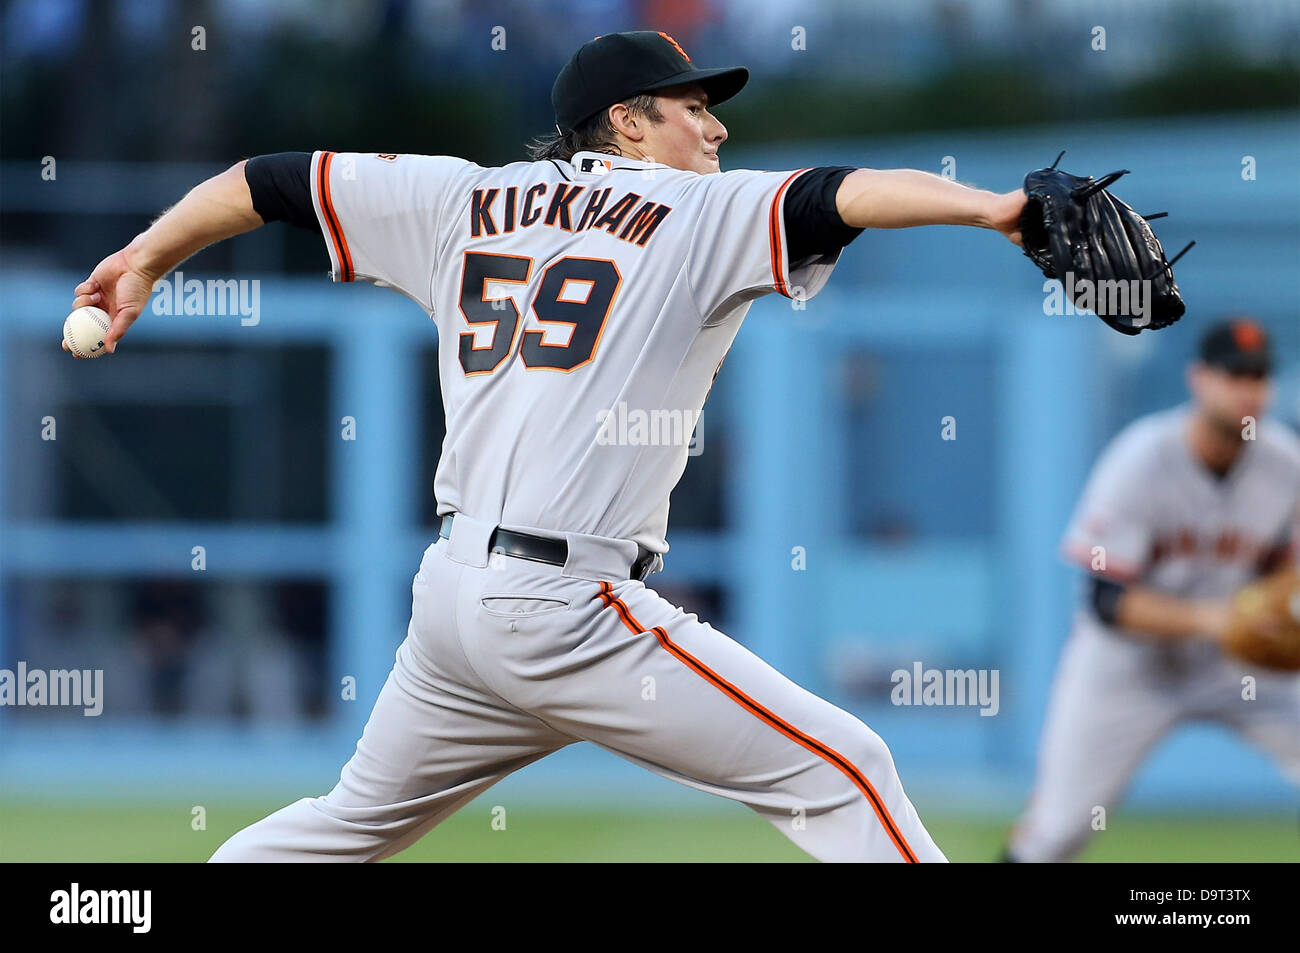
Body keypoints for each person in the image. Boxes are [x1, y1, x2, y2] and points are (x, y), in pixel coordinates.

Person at [70, 31, 1028, 862]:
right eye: (694, 107)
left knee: (346, 823)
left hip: (455, 604)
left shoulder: (460, 197)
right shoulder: (697, 209)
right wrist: (996, 209)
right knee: (845, 769)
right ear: (627, 122)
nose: (716, 129)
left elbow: (267, 181)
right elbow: (843, 194)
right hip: (564, 609)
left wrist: (146, 258)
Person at [1005, 318, 1300, 862]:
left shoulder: (1286, 464)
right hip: (1125, 667)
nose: (1248, 391)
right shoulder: (1141, 457)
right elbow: (1106, 600)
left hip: (1236, 664)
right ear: (1199, 379)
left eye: (1258, 377)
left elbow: (1286, 574)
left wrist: (1272, 617)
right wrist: (1220, 618)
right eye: (1234, 376)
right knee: (1056, 832)